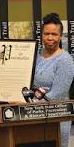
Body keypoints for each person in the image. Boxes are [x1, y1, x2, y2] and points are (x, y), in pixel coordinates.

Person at [33, 13, 74, 147]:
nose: (50, 38)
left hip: (56, 121)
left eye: (54, 34)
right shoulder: (35, 56)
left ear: (60, 36)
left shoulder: (65, 60)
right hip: (32, 120)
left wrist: (27, 103)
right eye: (46, 33)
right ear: (41, 35)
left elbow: (55, 95)